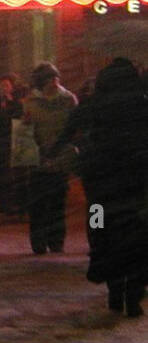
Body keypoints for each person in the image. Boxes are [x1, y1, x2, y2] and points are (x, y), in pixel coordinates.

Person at [57, 58, 148, 317]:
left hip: (100, 186)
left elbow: (68, 131)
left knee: (103, 234)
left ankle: (114, 288)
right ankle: (133, 292)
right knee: (137, 237)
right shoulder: (141, 103)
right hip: (135, 184)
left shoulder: (93, 104)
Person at [22, 62, 78, 255]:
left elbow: (74, 128)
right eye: (49, 78)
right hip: (37, 159)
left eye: (56, 77)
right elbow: (24, 131)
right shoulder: (30, 102)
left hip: (60, 158)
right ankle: (38, 242)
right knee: (37, 204)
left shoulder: (68, 99)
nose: (54, 82)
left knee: (57, 202)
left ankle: (56, 241)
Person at [0, 74, 24, 217]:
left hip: (11, 142)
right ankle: (3, 203)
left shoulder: (16, 104)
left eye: (7, 85)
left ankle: (12, 203)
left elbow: (18, 120)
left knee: (12, 174)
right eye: (2, 85)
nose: (4, 88)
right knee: (2, 174)